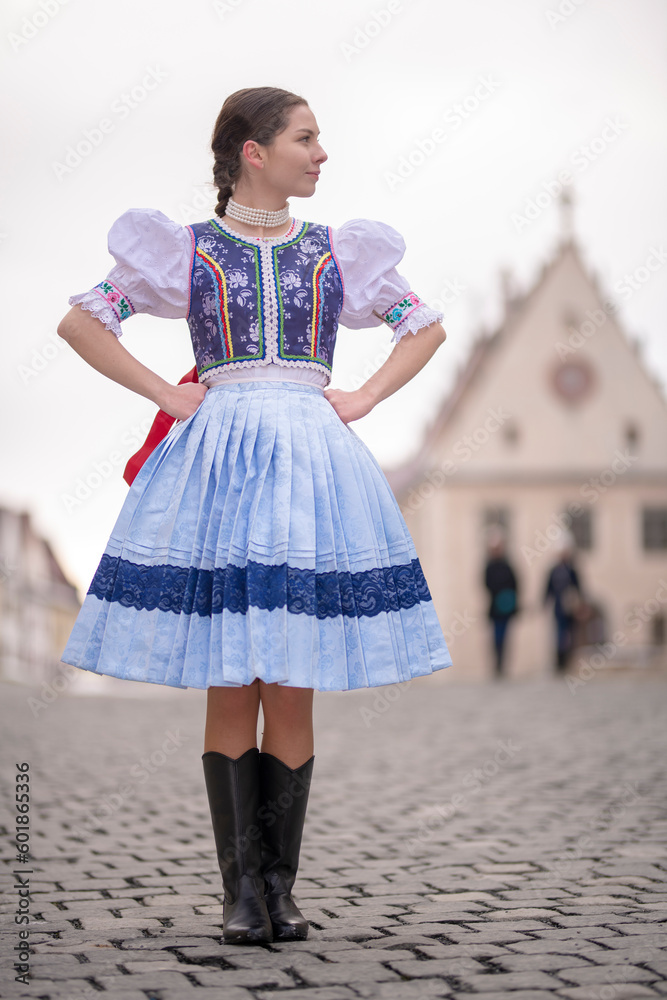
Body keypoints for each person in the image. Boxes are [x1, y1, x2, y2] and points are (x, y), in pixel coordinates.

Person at [57, 86, 453, 946]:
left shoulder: (333, 252)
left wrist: (363, 396)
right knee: (234, 675)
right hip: (221, 464)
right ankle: (240, 893)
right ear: (253, 151)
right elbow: (82, 322)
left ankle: (281, 887)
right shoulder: (189, 250)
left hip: (312, 463)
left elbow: (421, 326)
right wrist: (167, 390)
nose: (320, 154)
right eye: (306, 138)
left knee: (293, 678)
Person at [543, 532, 583, 673]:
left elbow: (579, 588)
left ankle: (567, 659)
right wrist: (545, 603)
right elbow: (548, 589)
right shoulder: (554, 570)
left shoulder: (572, 570)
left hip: (570, 607)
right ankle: (559, 661)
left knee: (570, 634)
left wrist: (580, 604)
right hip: (559, 608)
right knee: (559, 634)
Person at [483, 527, 519, 678]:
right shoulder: (489, 566)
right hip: (495, 608)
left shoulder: (507, 565)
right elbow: (486, 584)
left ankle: (502, 664)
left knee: (504, 637)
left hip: (506, 608)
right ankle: (496, 664)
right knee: (496, 637)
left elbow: (515, 584)